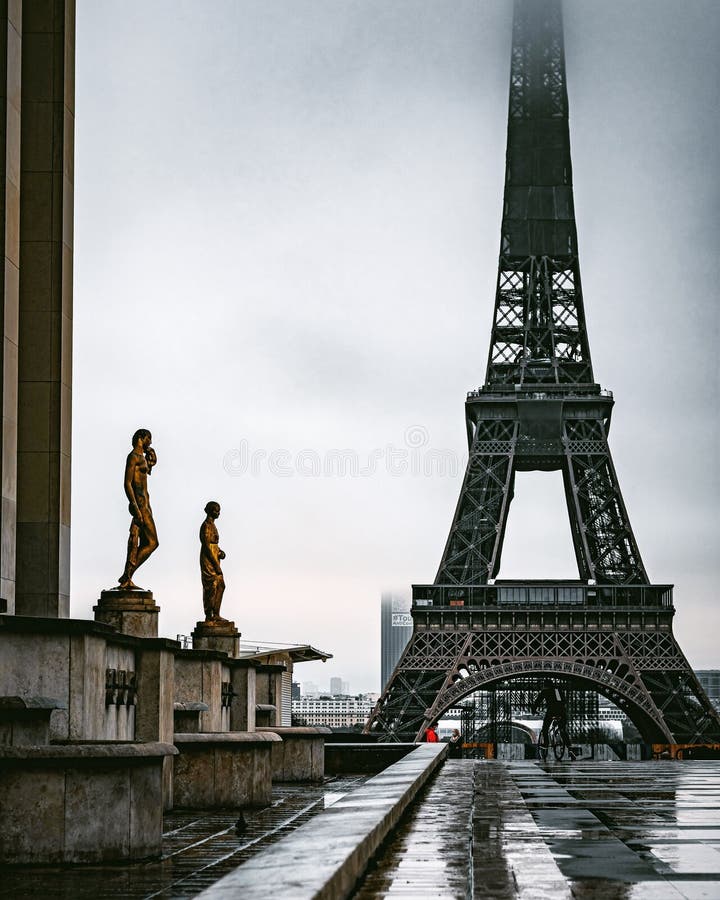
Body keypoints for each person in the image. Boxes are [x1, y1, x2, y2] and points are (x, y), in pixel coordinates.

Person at [119, 429, 158, 589]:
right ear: (142, 438)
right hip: (140, 504)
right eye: (150, 438)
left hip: (145, 504)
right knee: (152, 542)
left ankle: (127, 575)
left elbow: (146, 472)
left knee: (143, 541)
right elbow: (127, 483)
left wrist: (152, 460)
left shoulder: (140, 457)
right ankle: (127, 574)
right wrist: (135, 506)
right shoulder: (133, 456)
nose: (151, 442)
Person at [532, 679, 576, 760]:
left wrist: (534, 710)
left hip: (551, 712)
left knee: (545, 729)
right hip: (562, 712)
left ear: (545, 685)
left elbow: (538, 701)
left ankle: (545, 745)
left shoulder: (545, 691)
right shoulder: (558, 690)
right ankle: (570, 748)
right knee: (562, 730)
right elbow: (563, 701)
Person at [200, 501, 227, 622]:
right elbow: (206, 546)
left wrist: (220, 552)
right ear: (210, 511)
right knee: (211, 586)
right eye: (216, 510)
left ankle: (216, 613)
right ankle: (209, 614)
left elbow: (214, 544)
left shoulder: (213, 525)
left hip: (215, 556)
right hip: (208, 559)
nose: (218, 513)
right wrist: (216, 564)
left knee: (221, 585)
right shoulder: (206, 525)